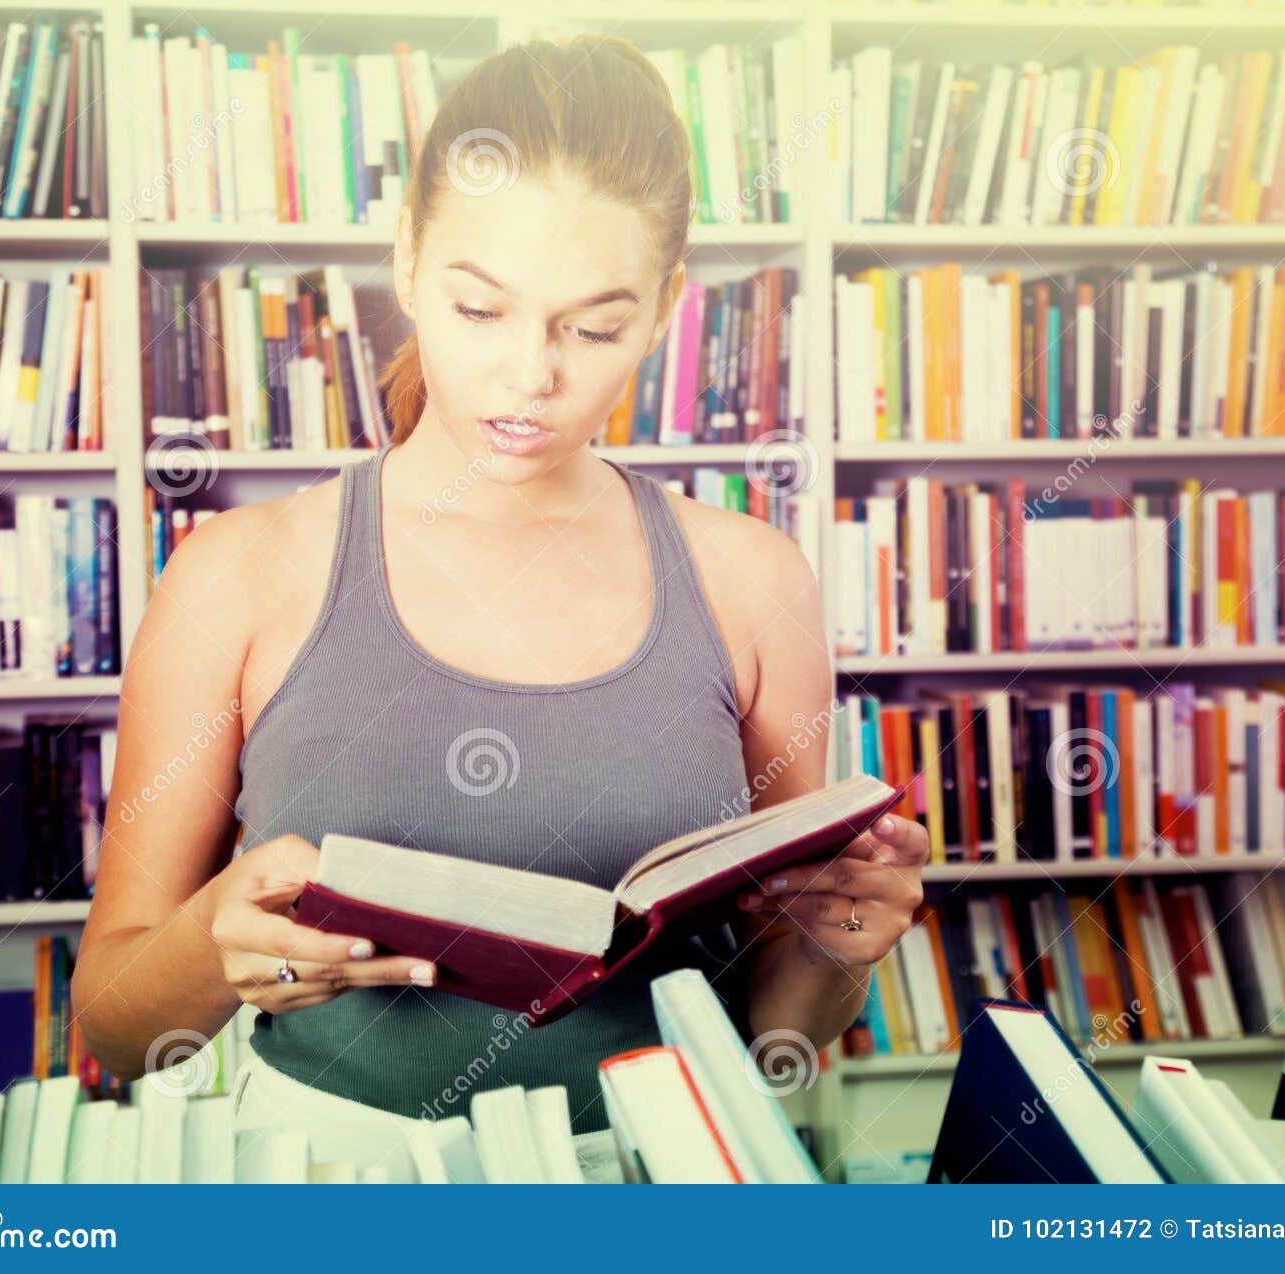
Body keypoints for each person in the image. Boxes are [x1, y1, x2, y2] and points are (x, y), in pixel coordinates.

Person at [71, 34, 927, 1181]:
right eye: (481, 309)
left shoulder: (753, 578)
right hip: (337, 1183)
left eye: (593, 326)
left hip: (658, 1169)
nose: (532, 376)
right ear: (410, 261)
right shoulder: (236, 572)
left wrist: (837, 949)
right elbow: (117, 1023)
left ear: (667, 308)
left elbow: (777, 1037)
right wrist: (214, 935)